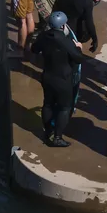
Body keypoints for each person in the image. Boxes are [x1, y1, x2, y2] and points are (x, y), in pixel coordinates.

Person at [31, 11, 90, 148]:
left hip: (47, 76)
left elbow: (34, 49)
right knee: (65, 108)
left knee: (48, 104)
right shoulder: (66, 41)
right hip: (63, 79)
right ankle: (57, 138)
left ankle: (47, 132)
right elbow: (79, 59)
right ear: (63, 25)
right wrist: (79, 48)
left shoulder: (43, 36)